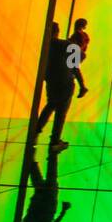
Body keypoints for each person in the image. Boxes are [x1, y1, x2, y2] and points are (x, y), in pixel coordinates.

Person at [36, 22, 75, 152]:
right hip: (65, 83)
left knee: (50, 105)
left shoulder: (46, 46)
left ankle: (36, 132)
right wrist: (82, 84)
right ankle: (55, 140)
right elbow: (75, 65)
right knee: (61, 113)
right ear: (57, 31)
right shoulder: (66, 45)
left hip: (52, 82)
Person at [70, 17, 90, 99]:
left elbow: (73, 44)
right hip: (81, 53)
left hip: (76, 53)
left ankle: (82, 87)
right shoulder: (84, 35)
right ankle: (82, 86)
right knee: (75, 69)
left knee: (74, 69)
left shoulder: (77, 34)